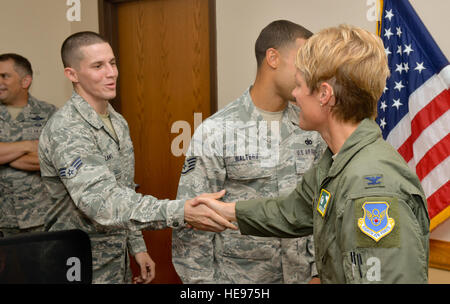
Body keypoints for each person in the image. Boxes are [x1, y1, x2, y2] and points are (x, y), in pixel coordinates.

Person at [196, 24, 430, 284]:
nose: (294, 95)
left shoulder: (369, 188)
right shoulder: (335, 161)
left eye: (299, 85)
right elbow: (292, 211)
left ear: (324, 94)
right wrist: (228, 211)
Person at [38, 31, 236, 284]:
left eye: (112, 63)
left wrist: (137, 246)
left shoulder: (117, 122)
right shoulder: (67, 128)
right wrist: (181, 211)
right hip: (76, 263)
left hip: (113, 260)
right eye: (98, 66)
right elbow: (103, 202)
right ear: (72, 74)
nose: (111, 73)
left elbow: (123, 191)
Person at [172, 20, 325, 284]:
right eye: (303, 63)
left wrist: (317, 273)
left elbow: (322, 208)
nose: (309, 74)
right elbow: (193, 225)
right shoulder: (216, 131)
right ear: (273, 58)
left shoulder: (311, 127)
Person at [0, 53, 57, 237]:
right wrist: (28, 146)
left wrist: (5, 155)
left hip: (39, 218)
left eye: (4, 76)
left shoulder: (49, 114)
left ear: (25, 81)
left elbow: (54, 161)